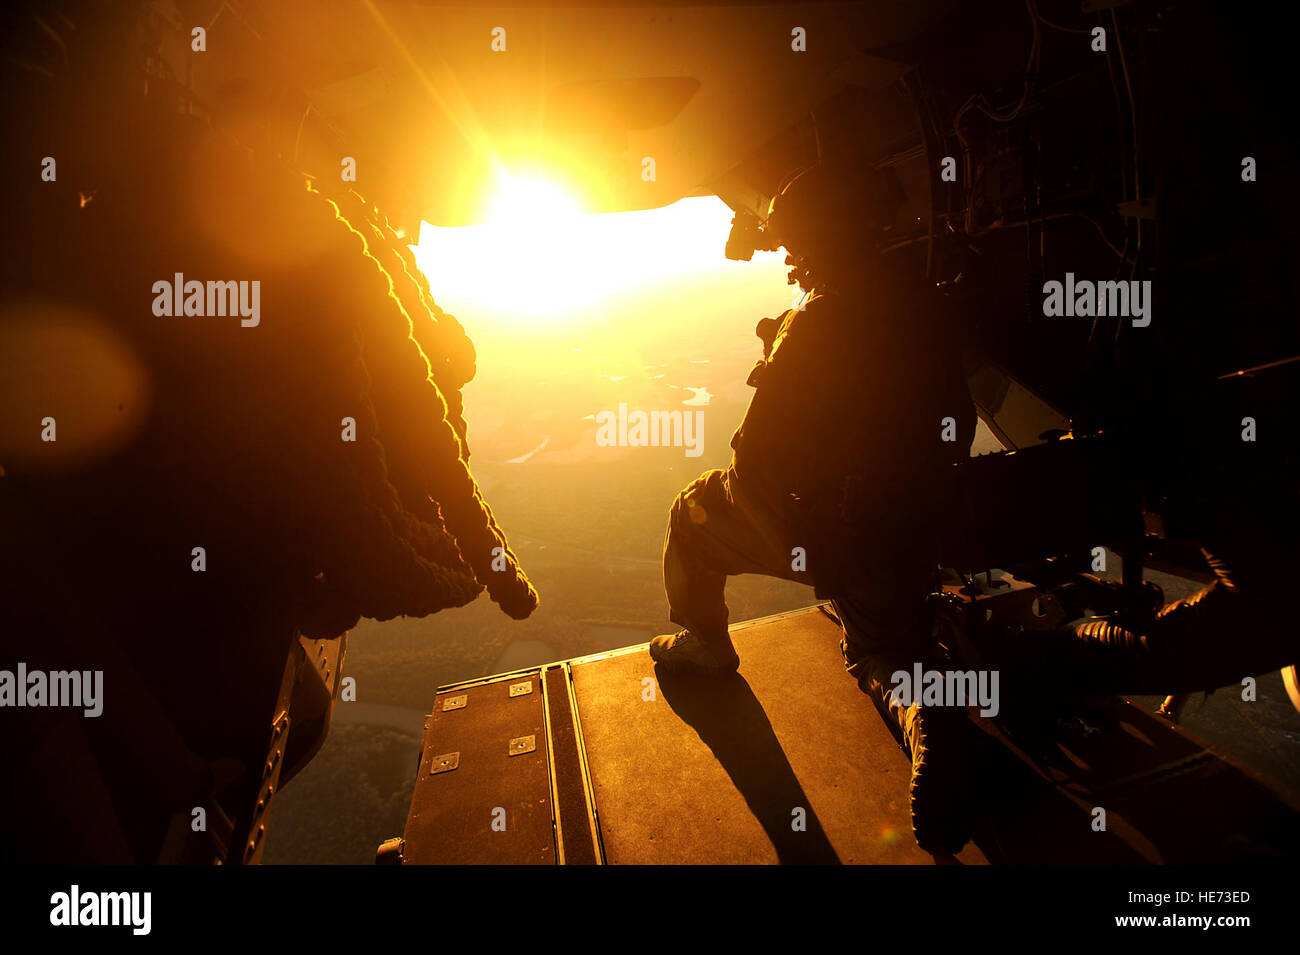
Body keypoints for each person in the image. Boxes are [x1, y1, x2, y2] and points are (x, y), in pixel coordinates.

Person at [650, 156, 981, 852]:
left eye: (795, 246)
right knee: (885, 641)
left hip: (845, 532)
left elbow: (752, 461)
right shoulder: (922, 302)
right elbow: (954, 419)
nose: (789, 260)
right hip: (920, 521)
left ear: (817, 241)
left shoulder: (816, 321)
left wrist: (804, 543)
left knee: (693, 509)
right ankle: (926, 703)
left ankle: (708, 645)